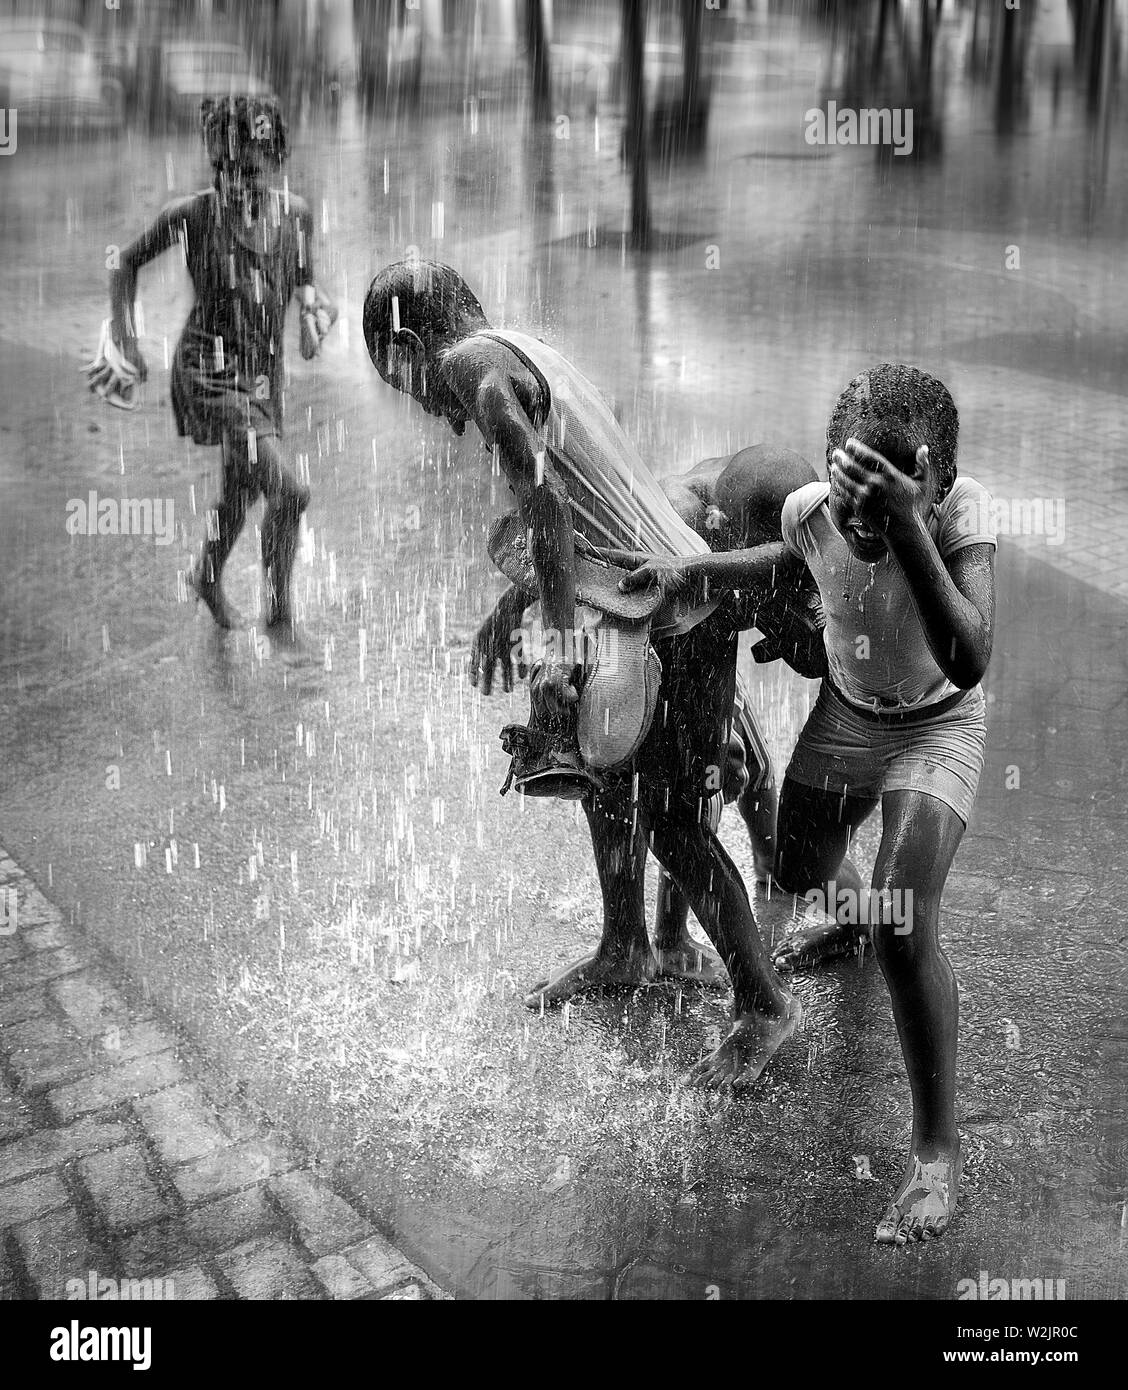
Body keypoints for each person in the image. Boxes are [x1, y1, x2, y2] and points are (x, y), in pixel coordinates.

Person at [364, 264, 813, 1087]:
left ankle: (764, 1004)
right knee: (605, 776)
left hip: (671, 601)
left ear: (405, 347)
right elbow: (573, 501)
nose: (418, 405)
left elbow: (549, 502)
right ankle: (625, 946)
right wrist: (519, 607)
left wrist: (560, 644)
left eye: (397, 380)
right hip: (641, 588)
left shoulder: (468, 365)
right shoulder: (522, 349)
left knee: (676, 822)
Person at [620, 364, 997, 1244]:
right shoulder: (814, 509)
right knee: (794, 870)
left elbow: (971, 652)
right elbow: (789, 558)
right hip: (848, 717)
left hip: (936, 725)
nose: (859, 525)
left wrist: (908, 525)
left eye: (885, 502)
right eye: (849, 496)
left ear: (932, 477)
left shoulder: (960, 513)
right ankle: (859, 917)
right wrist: (695, 573)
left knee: (910, 932)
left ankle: (936, 1158)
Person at [470, 443, 827, 995]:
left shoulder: (795, 518)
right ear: (717, 528)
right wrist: (512, 608)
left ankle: (670, 936)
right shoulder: (680, 522)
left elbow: (813, 641)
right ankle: (625, 945)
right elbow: (581, 550)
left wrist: (793, 624)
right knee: (617, 763)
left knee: (699, 782)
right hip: (650, 622)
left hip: (703, 623)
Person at [84, 95, 336, 646]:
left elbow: (302, 280)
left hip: (264, 375)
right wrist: (126, 342)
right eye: (222, 169)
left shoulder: (297, 215)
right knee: (290, 491)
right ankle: (280, 615)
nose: (234, 182)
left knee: (241, 493)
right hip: (210, 373)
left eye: (248, 170)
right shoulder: (194, 215)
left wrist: (315, 312)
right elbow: (122, 263)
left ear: (275, 162)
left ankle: (205, 575)